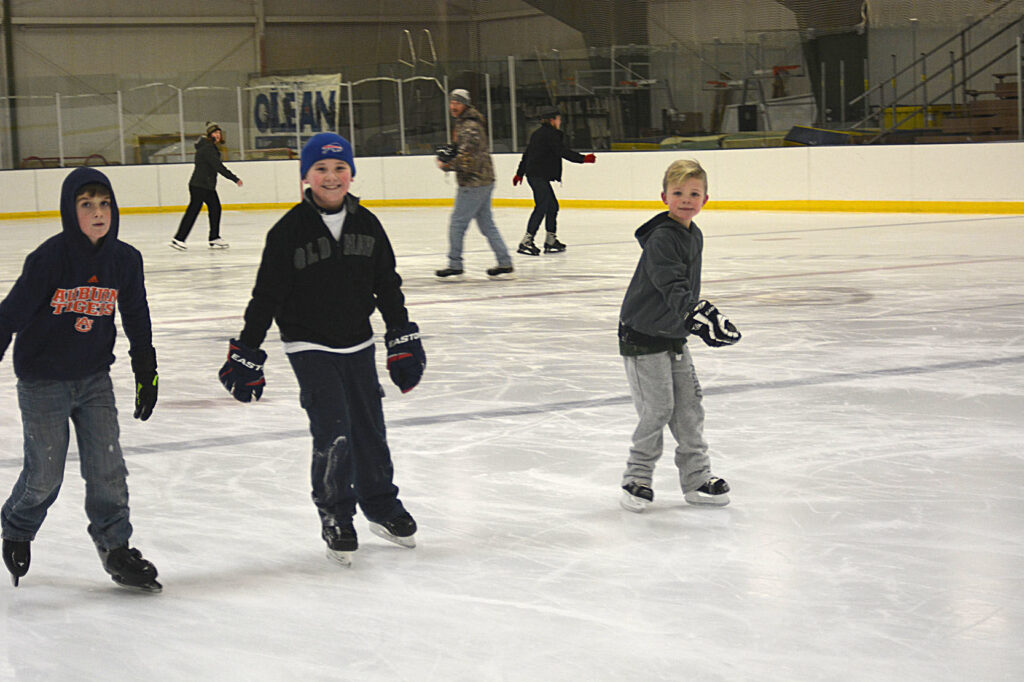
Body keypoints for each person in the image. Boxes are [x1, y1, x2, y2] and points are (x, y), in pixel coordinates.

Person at [218, 132, 426, 567]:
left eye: (339, 169)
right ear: (305, 178)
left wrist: (400, 334)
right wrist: (246, 351)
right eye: (321, 170)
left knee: (369, 425)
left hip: (358, 341)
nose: (331, 178)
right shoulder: (288, 232)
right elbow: (266, 297)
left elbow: (387, 284)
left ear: (351, 173)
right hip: (308, 343)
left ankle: (381, 505)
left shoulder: (368, 224)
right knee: (333, 428)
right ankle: (336, 513)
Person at [0, 167, 162, 592]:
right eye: (86, 204)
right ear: (70, 211)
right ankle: (17, 525)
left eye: (104, 203)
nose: (98, 212)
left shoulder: (124, 260)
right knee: (45, 474)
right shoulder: (49, 259)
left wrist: (146, 370)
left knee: (108, 468)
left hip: (93, 379)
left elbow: (137, 315)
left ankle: (116, 548)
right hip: (43, 380)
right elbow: (9, 316)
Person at [616, 159, 742, 513]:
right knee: (657, 410)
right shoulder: (662, 238)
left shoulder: (692, 233)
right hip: (642, 335)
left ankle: (697, 479)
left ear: (706, 199)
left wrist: (692, 316)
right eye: (678, 193)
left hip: (672, 334)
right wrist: (693, 312)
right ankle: (636, 478)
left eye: (694, 193)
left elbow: (683, 286)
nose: (686, 200)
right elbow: (669, 282)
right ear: (664, 197)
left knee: (688, 409)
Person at [434, 88, 514, 281]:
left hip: (474, 182)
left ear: (465, 105)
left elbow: (468, 159)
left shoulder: (469, 126)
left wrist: (446, 165)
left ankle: (455, 264)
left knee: (457, 223)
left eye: (457, 103)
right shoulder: (465, 123)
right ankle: (505, 262)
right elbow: (465, 151)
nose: (453, 106)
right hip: (483, 179)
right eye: (452, 103)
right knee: (487, 224)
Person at [512, 105, 595, 256]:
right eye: (558, 119)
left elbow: (527, 154)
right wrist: (583, 159)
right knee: (542, 207)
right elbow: (562, 151)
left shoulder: (537, 134)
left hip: (536, 175)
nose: (560, 121)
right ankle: (526, 241)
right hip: (537, 176)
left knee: (552, 207)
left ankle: (550, 240)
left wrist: (519, 173)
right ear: (552, 120)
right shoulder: (551, 135)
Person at [170, 121, 243, 250]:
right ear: (210, 135)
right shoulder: (208, 148)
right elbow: (218, 166)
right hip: (200, 185)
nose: (218, 135)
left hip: (205, 185)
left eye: (219, 133)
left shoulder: (209, 147)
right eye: (215, 133)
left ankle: (214, 237)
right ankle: (179, 238)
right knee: (194, 211)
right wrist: (234, 178)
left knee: (215, 208)